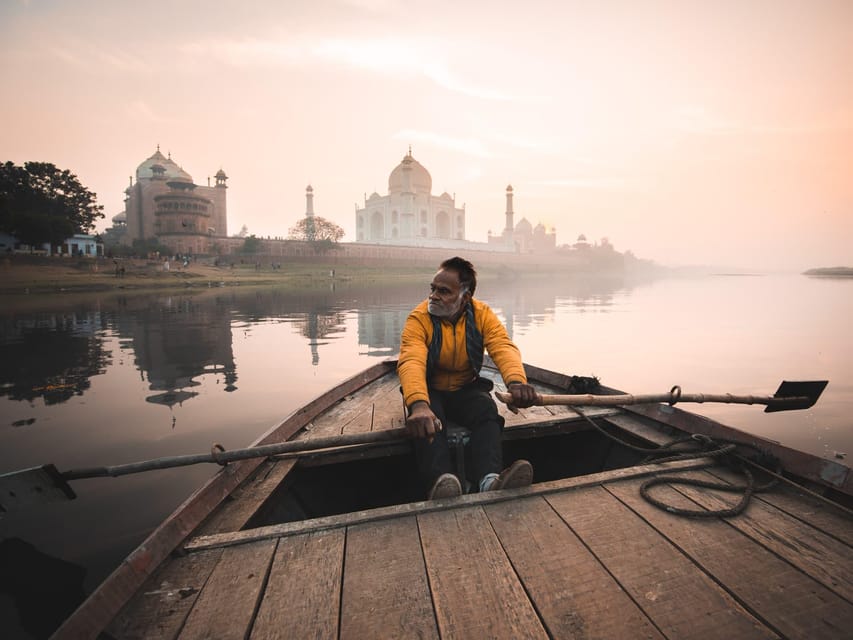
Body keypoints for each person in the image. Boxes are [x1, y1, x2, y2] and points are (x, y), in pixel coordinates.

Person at [398, 257, 538, 500]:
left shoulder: (482, 314)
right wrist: (418, 405)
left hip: (465, 387)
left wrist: (516, 382)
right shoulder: (419, 318)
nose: (434, 296)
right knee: (430, 421)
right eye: (432, 289)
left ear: (465, 296)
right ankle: (441, 484)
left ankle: (490, 482)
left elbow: (502, 346)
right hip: (429, 389)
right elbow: (412, 360)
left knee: (486, 410)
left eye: (444, 291)